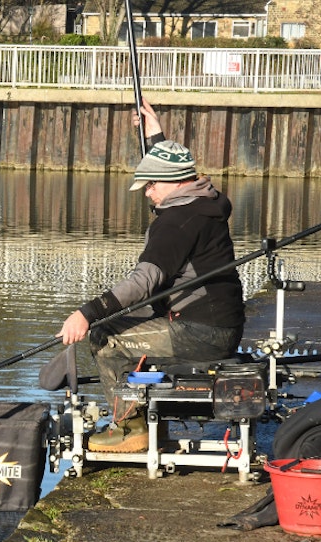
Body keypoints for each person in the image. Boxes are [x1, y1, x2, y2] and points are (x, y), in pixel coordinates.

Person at [56, 100, 246, 452]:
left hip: (203, 333)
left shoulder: (175, 224)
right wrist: (154, 133)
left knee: (106, 337)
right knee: (123, 321)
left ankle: (130, 428)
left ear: (171, 183)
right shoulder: (207, 199)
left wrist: (85, 313)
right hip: (220, 321)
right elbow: (174, 169)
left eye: (149, 185)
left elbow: (144, 282)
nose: (147, 193)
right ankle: (143, 413)